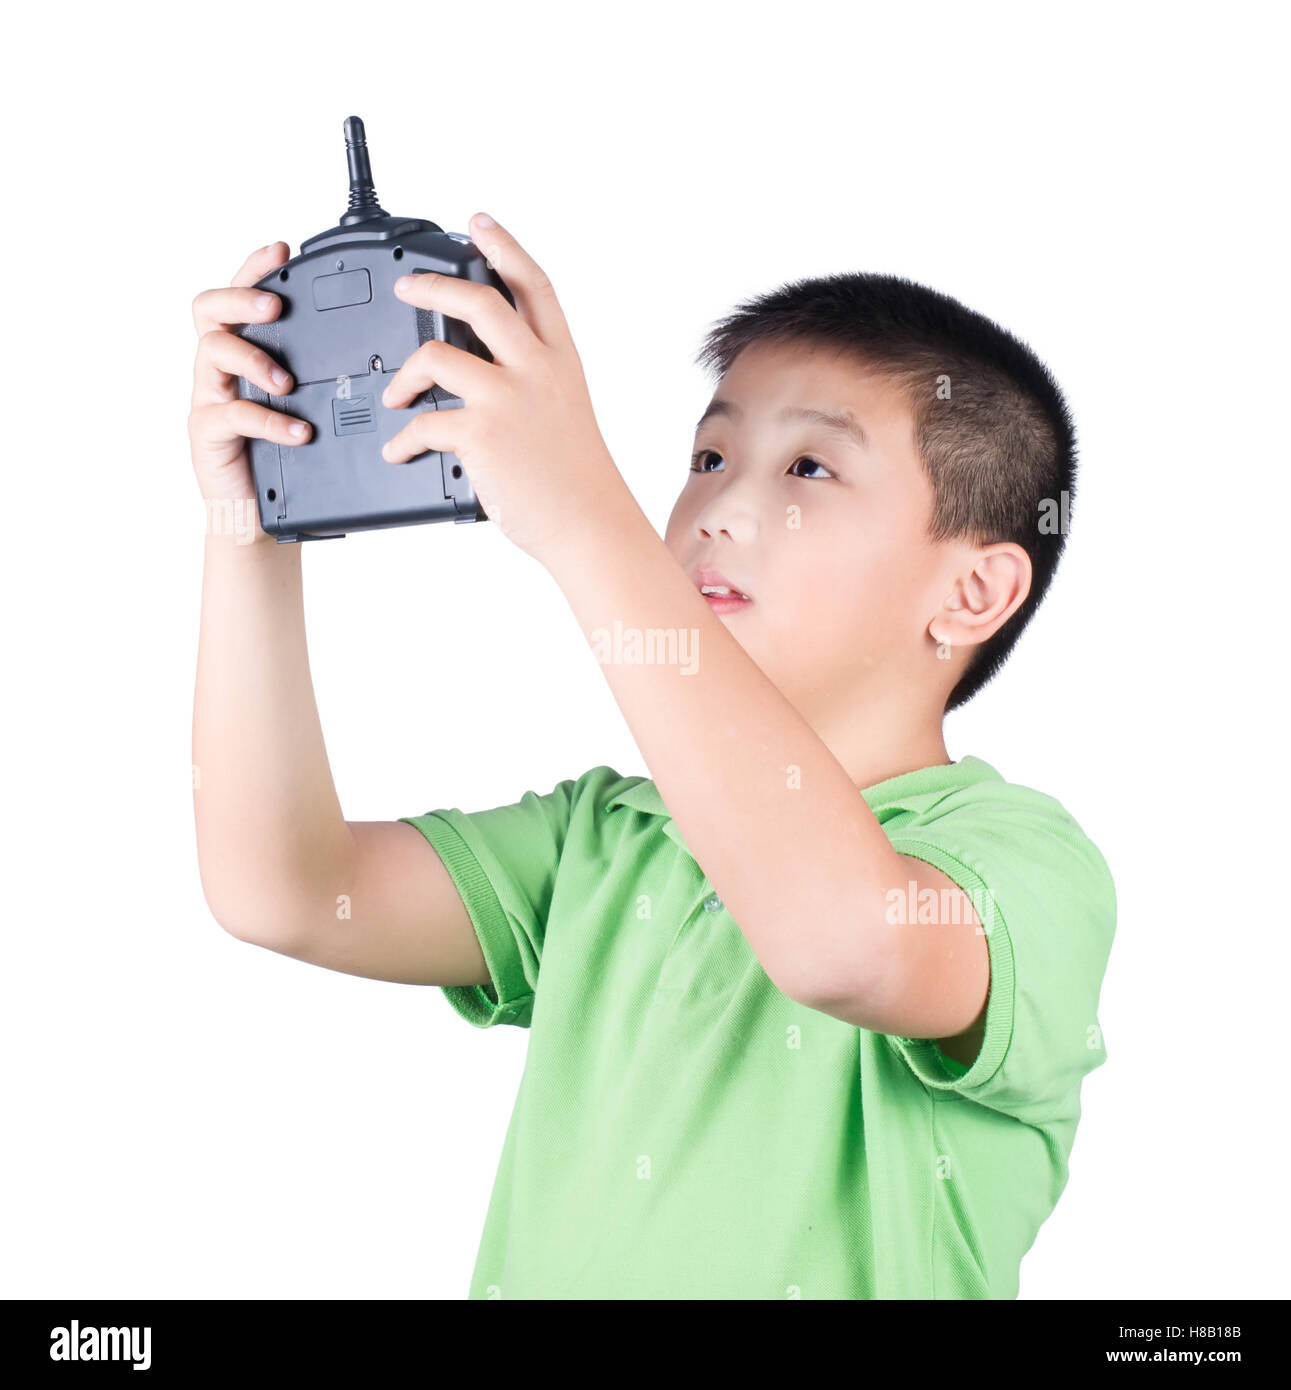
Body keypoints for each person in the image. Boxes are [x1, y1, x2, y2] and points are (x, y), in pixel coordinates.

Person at [189, 213, 1115, 1299]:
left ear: (973, 593)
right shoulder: (610, 840)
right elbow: (286, 889)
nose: (719, 503)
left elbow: (842, 945)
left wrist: (585, 518)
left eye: (810, 466)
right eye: (708, 455)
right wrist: (246, 526)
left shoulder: (1025, 864)